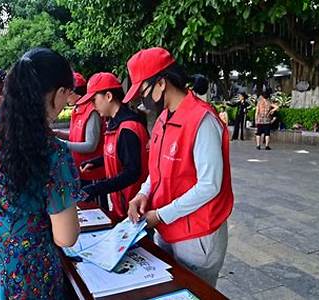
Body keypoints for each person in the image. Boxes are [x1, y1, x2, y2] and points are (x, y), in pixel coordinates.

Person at [0, 48, 83, 299]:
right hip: (24, 280)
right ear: (60, 92)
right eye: (67, 95)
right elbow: (66, 237)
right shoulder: (51, 150)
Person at [125, 47, 234, 288]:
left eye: (143, 91)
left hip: (197, 237)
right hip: (167, 230)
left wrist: (160, 214)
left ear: (161, 83)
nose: (141, 101)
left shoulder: (202, 120)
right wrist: (143, 193)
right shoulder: (164, 118)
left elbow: (210, 185)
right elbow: (158, 170)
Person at [79, 72, 149, 220]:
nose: (93, 105)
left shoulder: (127, 129)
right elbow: (116, 155)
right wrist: (95, 162)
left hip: (135, 209)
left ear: (108, 96)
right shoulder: (113, 125)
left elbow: (132, 173)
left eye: (94, 99)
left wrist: (96, 189)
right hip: (122, 206)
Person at [54, 72, 107, 207]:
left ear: (72, 92)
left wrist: (63, 144)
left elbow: (90, 145)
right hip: (80, 169)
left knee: (98, 210)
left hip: (93, 172)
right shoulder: (77, 109)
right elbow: (75, 136)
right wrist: (58, 133)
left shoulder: (91, 111)